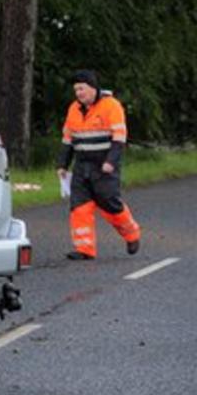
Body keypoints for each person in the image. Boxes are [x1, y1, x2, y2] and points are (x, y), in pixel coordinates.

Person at [56, 70, 141, 260]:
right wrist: (62, 164)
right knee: (79, 206)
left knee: (110, 204)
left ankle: (132, 233)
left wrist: (111, 162)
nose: (78, 93)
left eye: (82, 88)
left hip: (104, 166)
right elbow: (68, 140)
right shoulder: (73, 109)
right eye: (76, 89)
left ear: (93, 88)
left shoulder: (111, 106)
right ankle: (84, 249)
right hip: (81, 166)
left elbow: (119, 139)